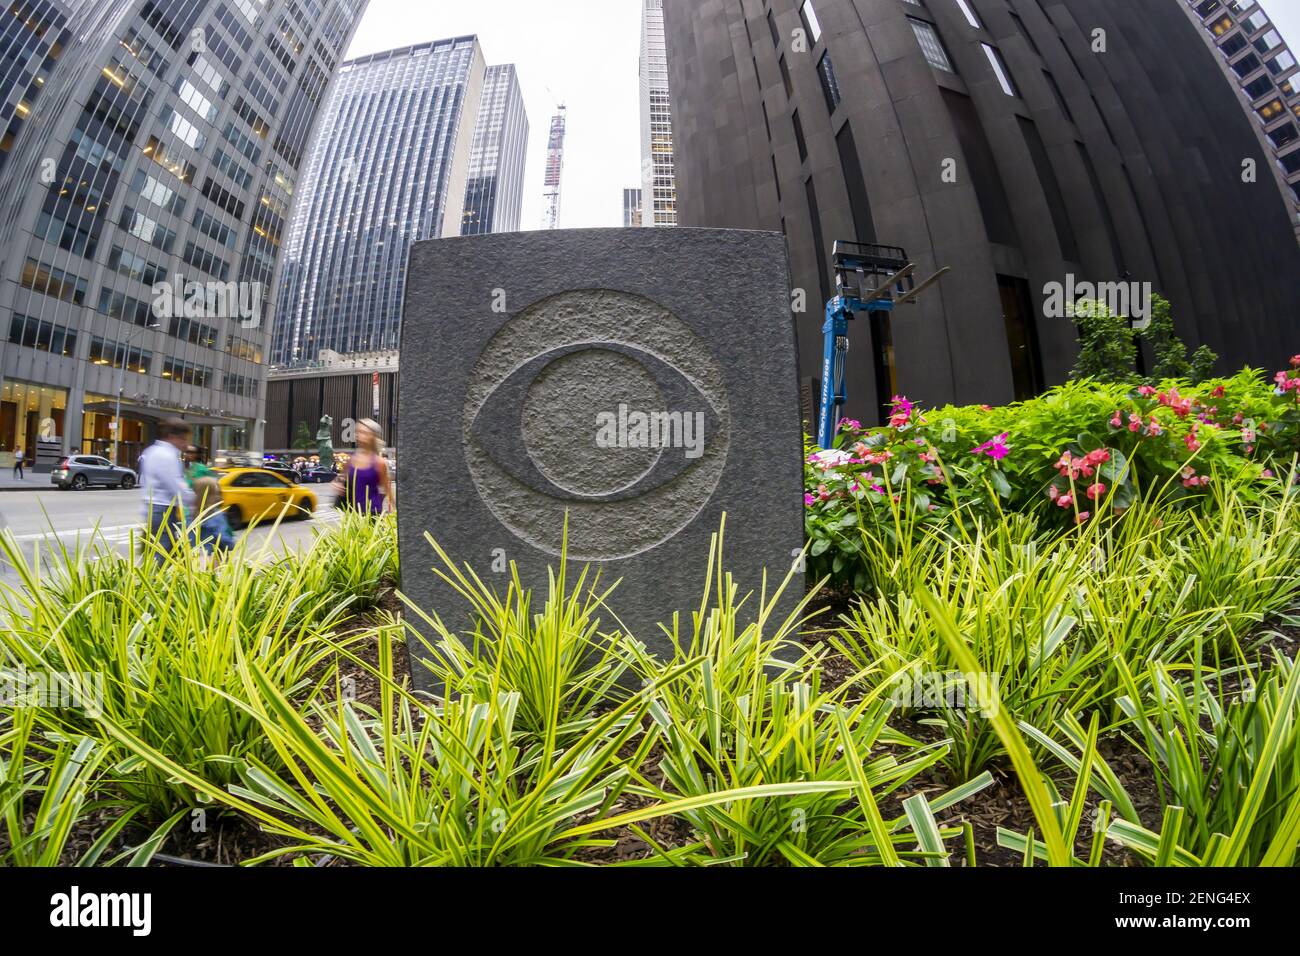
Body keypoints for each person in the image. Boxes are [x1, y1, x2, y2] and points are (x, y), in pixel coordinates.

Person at [139, 419, 195, 562]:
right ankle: (152, 582)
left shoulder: (151, 451)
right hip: (163, 509)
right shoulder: (167, 455)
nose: (185, 444)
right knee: (162, 553)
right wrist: (195, 500)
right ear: (172, 436)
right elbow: (175, 486)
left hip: (153, 508)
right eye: (183, 439)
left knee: (163, 550)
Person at [333, 418, 394, 515]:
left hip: (373, 514)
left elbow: (387, 489)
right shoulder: (352, 460)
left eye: (364, 432)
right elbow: (340, 478)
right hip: (353, 514)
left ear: (372, 436)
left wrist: (393, 512)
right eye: (358, 432)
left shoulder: (379, 463)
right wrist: (338, 484)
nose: (359, 435)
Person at [192, 474, 234, 562]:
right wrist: (232, 545)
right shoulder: (216, 515)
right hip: (214, 559)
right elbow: (224, 539)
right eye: (217, 493)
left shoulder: (190, 515)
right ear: (211, 495)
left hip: (194, 558)